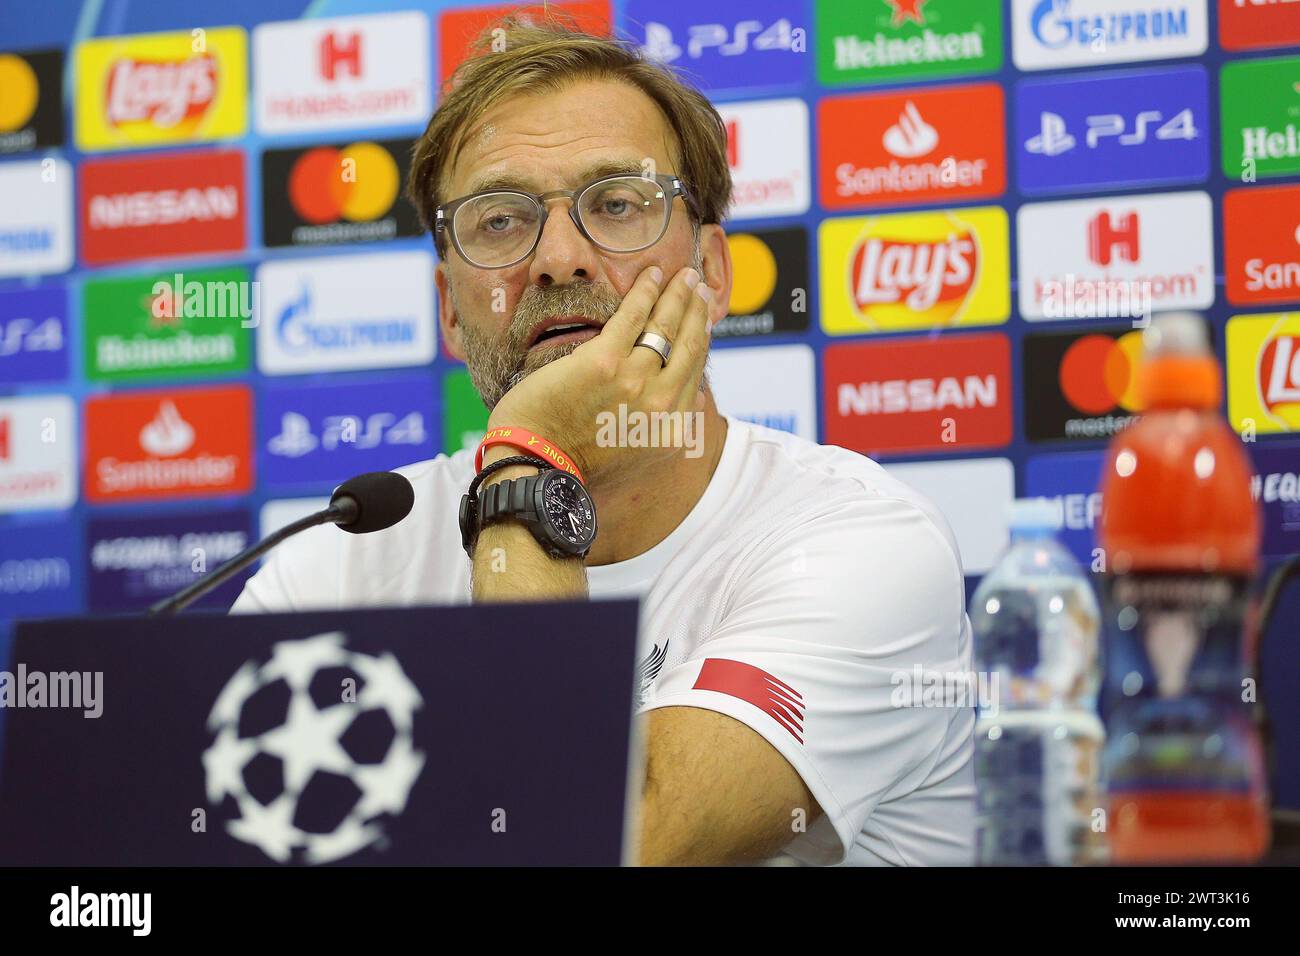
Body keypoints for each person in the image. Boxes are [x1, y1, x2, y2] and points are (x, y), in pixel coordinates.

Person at [233, 20, 975, 867]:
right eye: (501, 220)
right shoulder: (341, 562)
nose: (557, 259)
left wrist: (532, 459)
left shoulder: (862, 542)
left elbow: (596, 843)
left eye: (618, 203)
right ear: (448, 307)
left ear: (715, 271)